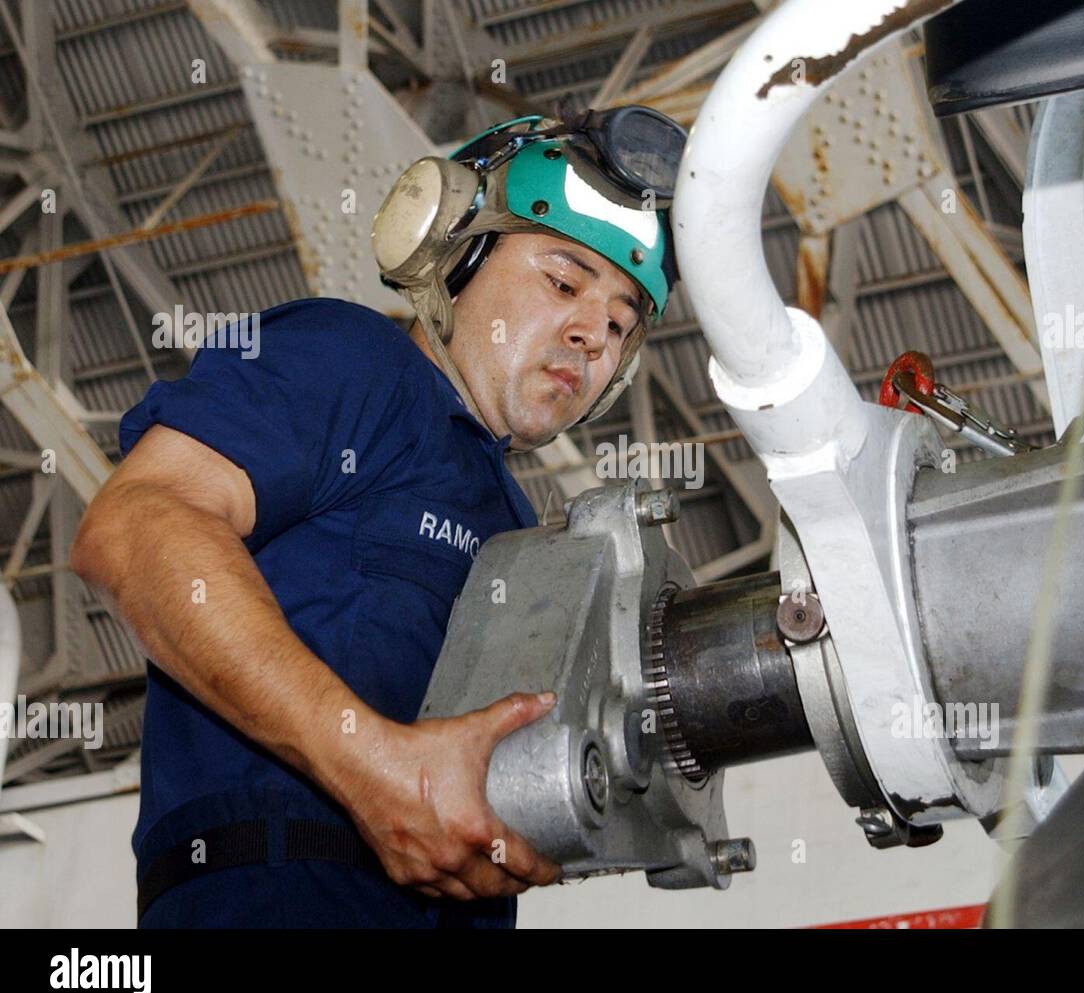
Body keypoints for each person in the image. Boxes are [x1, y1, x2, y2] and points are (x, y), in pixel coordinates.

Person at [68, 106, 684, 928]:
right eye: (563, 281)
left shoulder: (511, 517)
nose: (588, 336)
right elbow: (136, 525)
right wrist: (373, 766)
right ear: (454, 255)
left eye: (619, 323)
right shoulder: (352, 360)